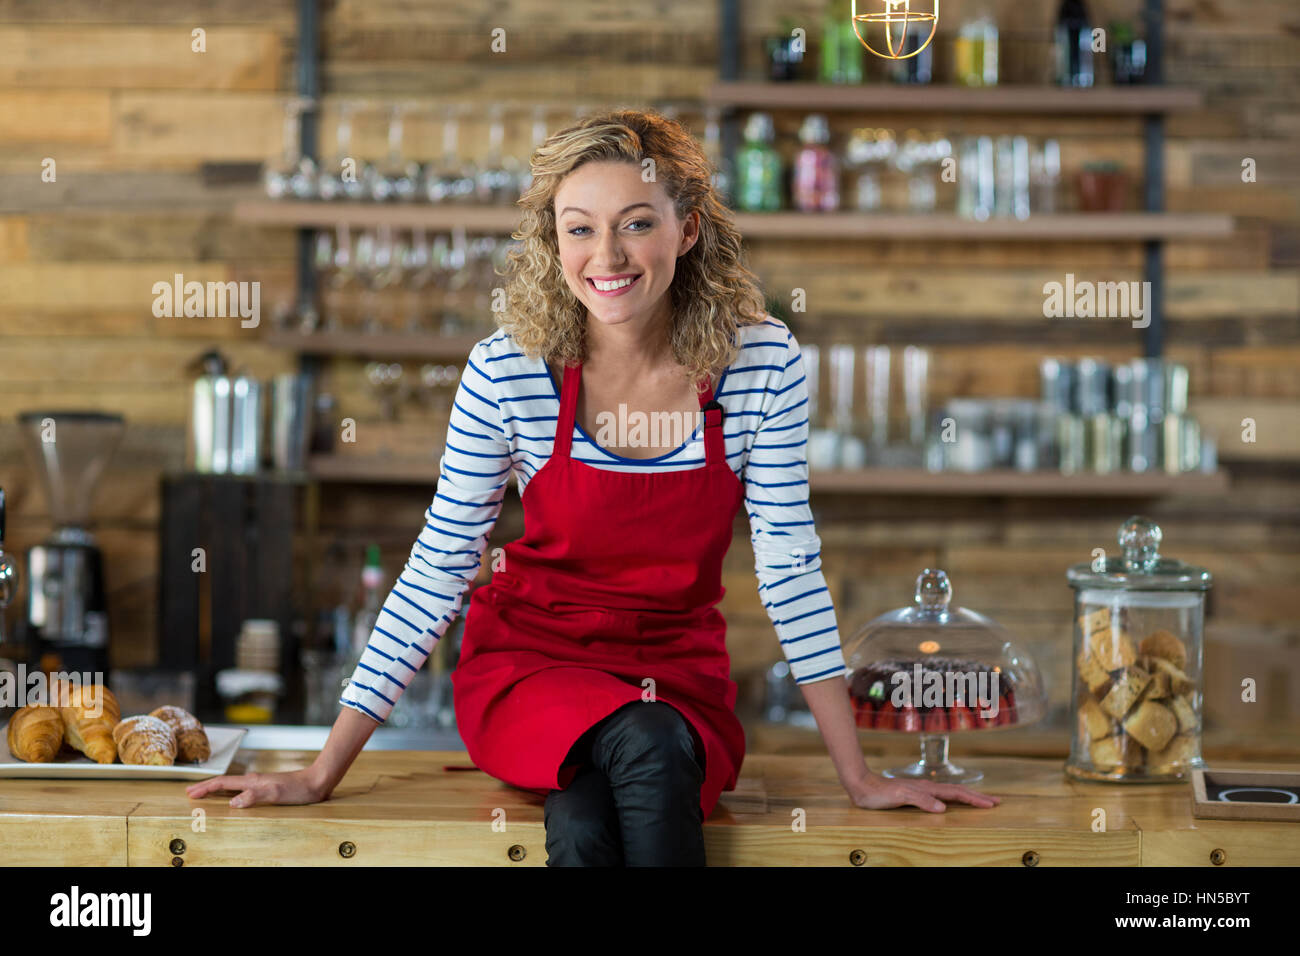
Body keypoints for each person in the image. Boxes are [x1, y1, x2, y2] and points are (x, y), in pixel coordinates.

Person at [187, 109, 999, 864]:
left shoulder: (762, 364)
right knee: (645, 745)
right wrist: (322, 770)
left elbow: (789, 569)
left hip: (680, 678)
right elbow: (438, 569)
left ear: (687, 230)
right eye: (580, 230)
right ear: (553, 241)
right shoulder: (508, 370)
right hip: (530, 670)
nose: (605, 258)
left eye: (636, 225)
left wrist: (858, 775)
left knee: (583, 818)